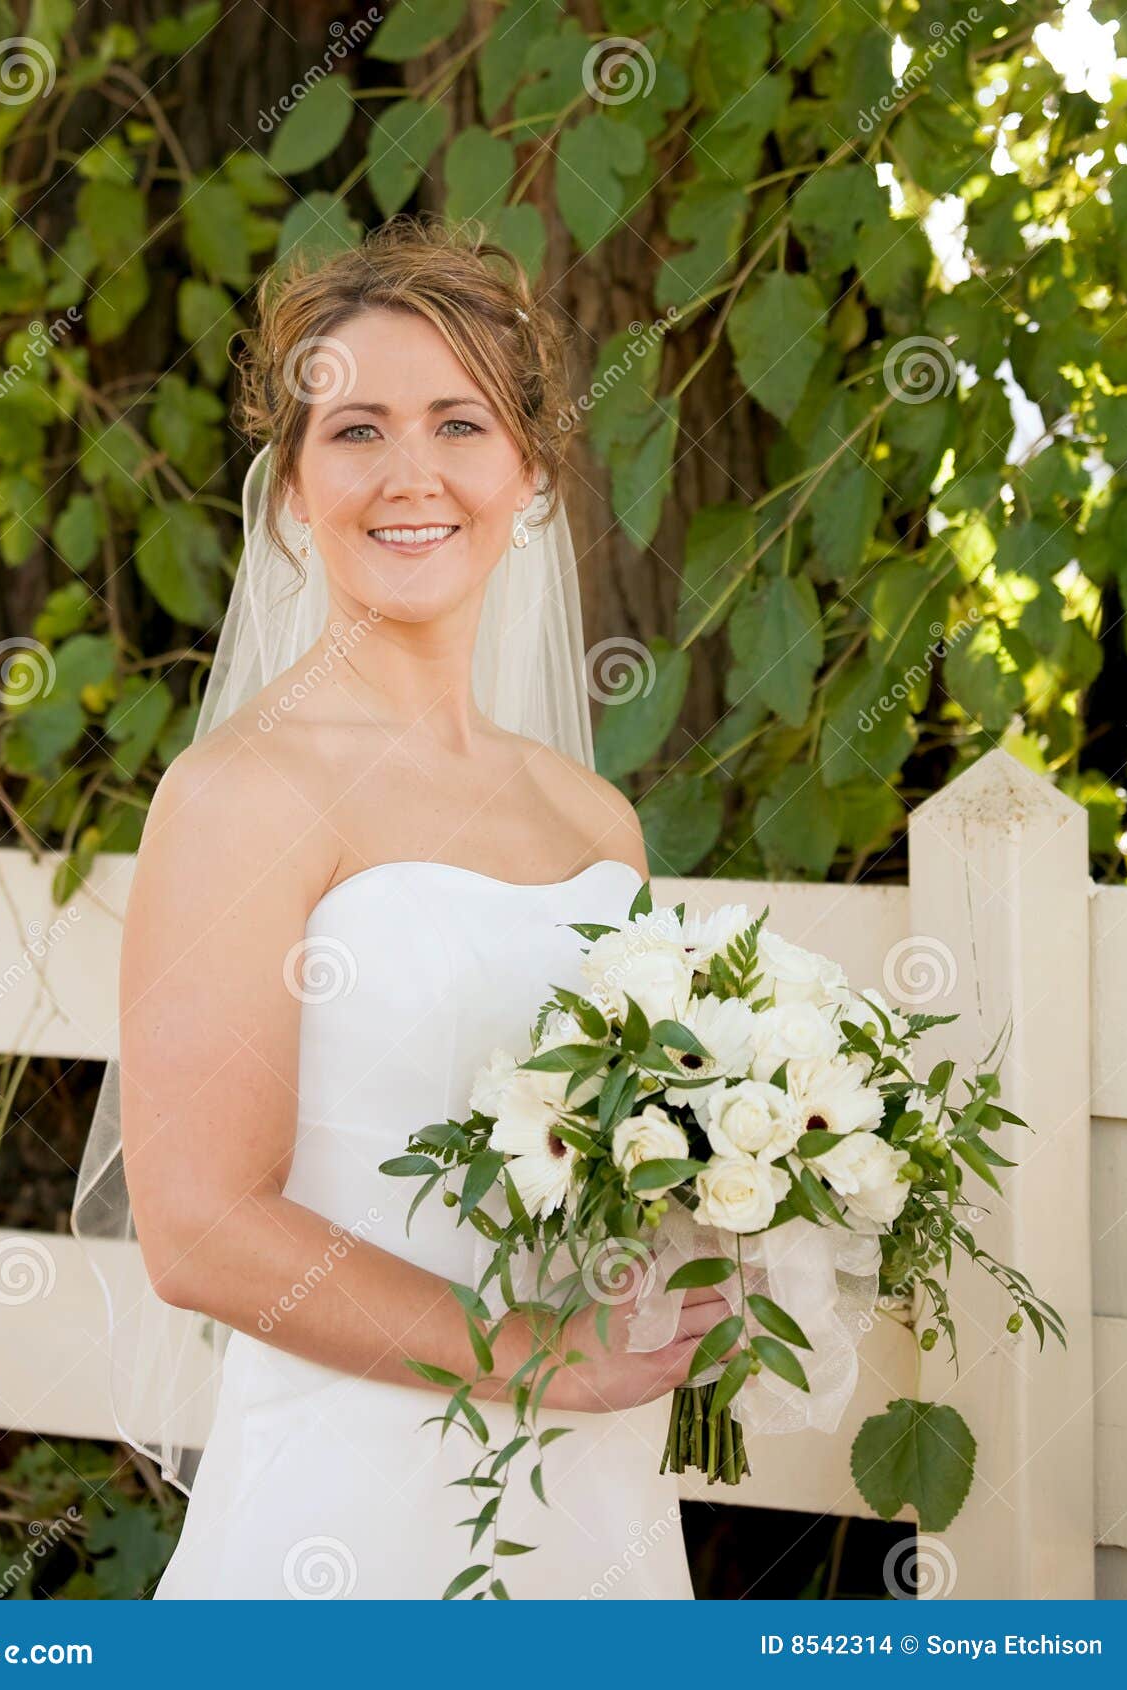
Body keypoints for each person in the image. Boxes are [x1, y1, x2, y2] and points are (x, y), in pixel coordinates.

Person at [106, 219, 729, 1599]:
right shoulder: (238, 797)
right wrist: (529, 1356)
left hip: (594, 1483)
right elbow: (199, 1226)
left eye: (457, 422)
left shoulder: (592, 822)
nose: (410, 475)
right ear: (289, 490)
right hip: (350, 1500)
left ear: (529, 472)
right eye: (354, 431)